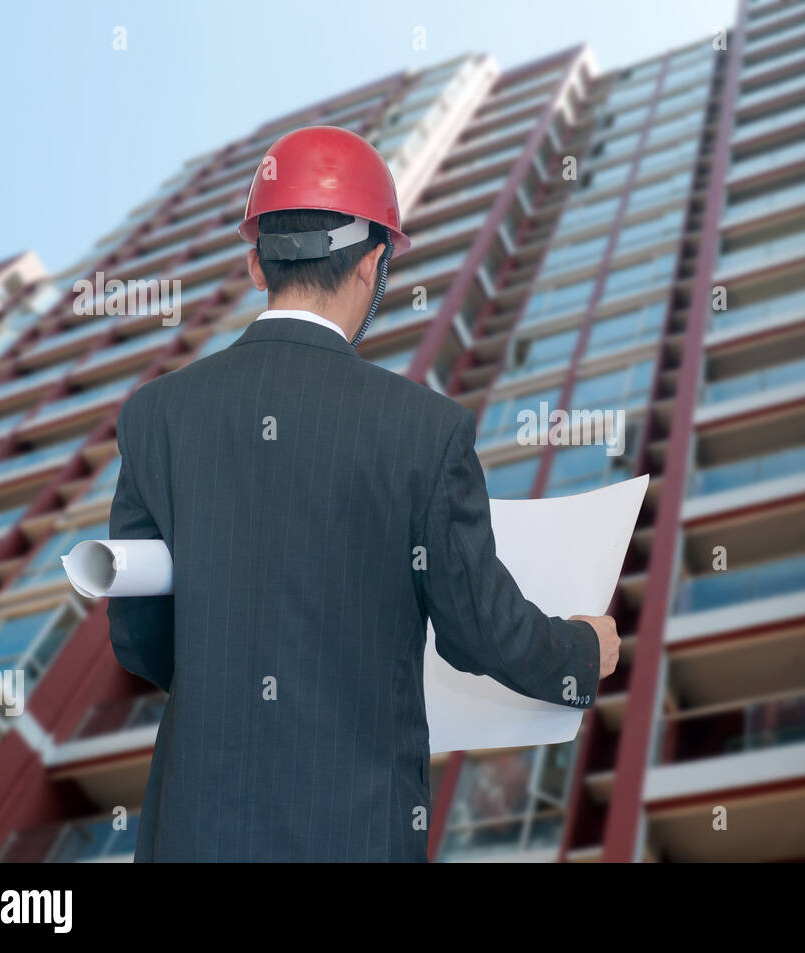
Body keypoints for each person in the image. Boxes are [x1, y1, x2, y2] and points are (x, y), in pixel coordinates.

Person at [105, 125, 620, 862]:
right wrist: (575, 651)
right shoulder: (424, 430)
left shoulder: (154, 416)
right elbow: (480, 628)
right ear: (373, 263)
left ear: (256, 263)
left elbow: (140, 636)